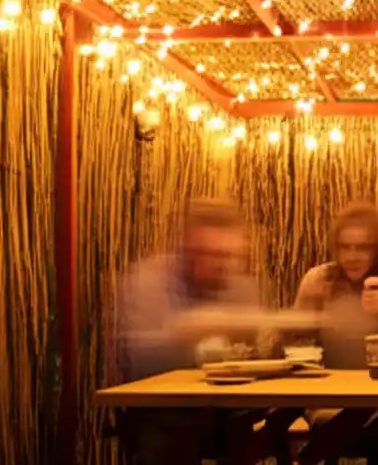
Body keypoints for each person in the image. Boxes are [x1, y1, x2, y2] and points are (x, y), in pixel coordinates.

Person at [115, 198, 275, 465]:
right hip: (161, 407)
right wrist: (181, 333)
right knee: (176, 426)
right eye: (212, 254)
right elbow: (137, 359)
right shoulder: (151, 280)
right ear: (189, 249)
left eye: (228, 257)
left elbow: (256, 350)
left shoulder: (239, 286)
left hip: (227, 407)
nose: (221, 264)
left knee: (257, 421)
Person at [291, 202, 378, 465]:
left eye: (363, 247)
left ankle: (310, 456)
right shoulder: (319, 281)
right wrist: (309, 315)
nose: (352, 256)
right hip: (331, 395)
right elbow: (296, 347)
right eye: (345, 247)